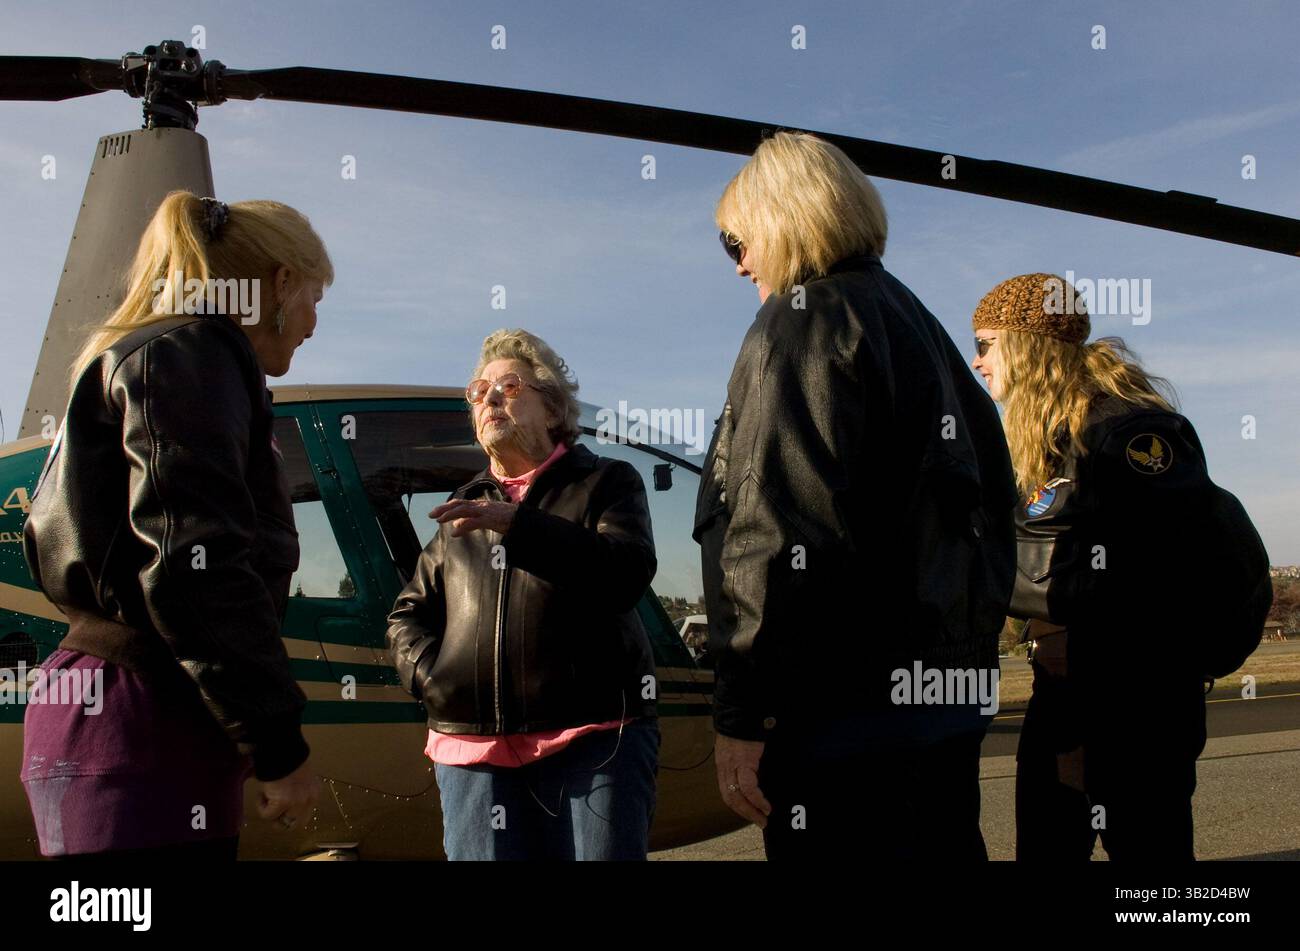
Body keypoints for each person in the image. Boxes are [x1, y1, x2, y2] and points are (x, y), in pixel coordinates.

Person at [694, 132, 1018, 861]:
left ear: (781, 218)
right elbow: (994, 523)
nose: (740, 262)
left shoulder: (802, 321)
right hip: (940, 711)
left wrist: (743, 712)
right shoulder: (921, 327)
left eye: (735, 240)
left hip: (843, 725)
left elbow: (775, 532)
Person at [21, 190, 333, 859]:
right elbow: (195, 559)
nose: (313, 322)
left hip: (131, 717)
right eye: (315, 296)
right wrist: (277, 742)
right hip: (137, 721)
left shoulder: (164, 353)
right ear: (279, 282)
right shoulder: (195, 349)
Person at [386, 329, 660, 860]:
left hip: (594, 742)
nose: (488, 399)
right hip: (473, 754)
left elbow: (624, 573)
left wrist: (520, 525)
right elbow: (407, 615)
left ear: (553, 408)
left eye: (509, 387)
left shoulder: (606, 481)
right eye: (477, 391)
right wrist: (434, 679)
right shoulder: (461, 506)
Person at [971, 272, 1210, 860]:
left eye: (985, 344)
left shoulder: (1129, 430)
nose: (976, 362)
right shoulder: (1052, 439)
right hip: (1067, 698)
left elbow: (1170, 569)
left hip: (1135, 710)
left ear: (1027, 344)